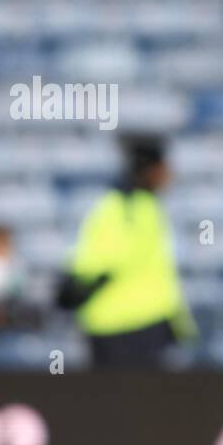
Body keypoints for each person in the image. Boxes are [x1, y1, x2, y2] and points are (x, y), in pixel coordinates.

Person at [65, 138, 196, 368]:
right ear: (148, 171)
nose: (168, 176)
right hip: (124, 328)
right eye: (162, 169)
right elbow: (100, 265)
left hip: (140, 324)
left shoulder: (145, 207)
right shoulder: (124, 209)